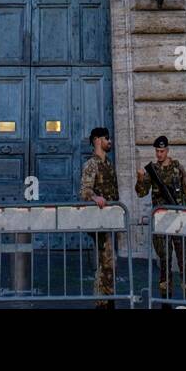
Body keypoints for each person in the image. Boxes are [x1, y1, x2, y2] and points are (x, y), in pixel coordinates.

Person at [136, 135, 186, 304]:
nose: (159, 154)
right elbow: (141, 192)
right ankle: (166, 298)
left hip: (178, 221)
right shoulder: (152, 170)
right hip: (162, 223)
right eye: (157, 151)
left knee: (183, 261)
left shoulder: (177, 168)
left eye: (162, 151)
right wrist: (140, 178)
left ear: (167, 150)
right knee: (164, 261)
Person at [79, 126, 119, 307]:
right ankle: (105, 302)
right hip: (99, 220)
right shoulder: (91, 164)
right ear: (97, 140)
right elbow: (85, 190)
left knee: (107, 263)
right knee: (107, 262)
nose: (109, 141)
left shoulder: (108, 164)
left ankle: (103, 301)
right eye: (106, 138)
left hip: (110, 219)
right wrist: (95, 197)